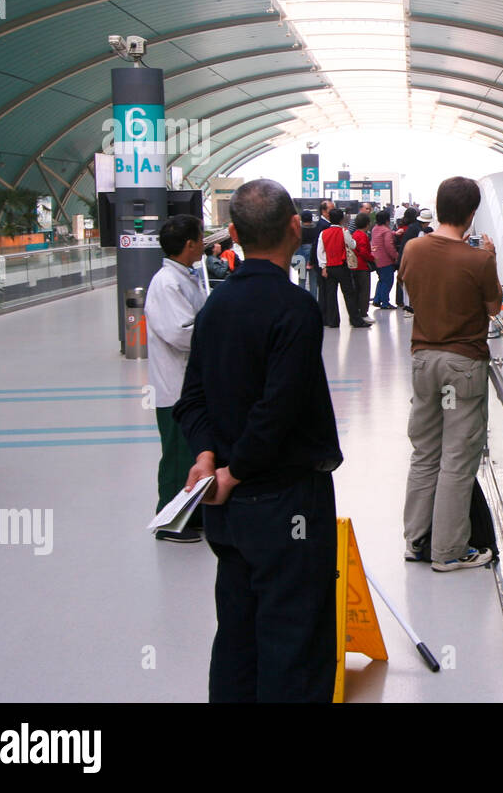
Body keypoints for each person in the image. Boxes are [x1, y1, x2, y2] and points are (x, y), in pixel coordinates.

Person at [174, 179, 342, 703]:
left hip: (227, 508)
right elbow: (278, 410)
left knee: (238, 635)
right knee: (295, 636)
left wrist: (208, 458)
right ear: (296, 226)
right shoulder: (295, 309)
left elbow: (191, 398)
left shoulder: (215, 305)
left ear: (232, 234)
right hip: (286, 501)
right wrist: (237, 469)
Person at [399, 177, 501, 572]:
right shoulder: (478, 259)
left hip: (423, 361)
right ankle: (449, 551)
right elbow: (494, 307)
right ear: (472, 214)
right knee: (457, 459)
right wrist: (488, 256)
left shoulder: (413, 248)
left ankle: (416, 540)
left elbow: (413, 291)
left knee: (425, 452)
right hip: (462, 366)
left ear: (439, 208)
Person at [144, 214, 207, 543]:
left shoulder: (185, 276)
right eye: (200, 237)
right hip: (175, 387)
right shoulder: (165, 283)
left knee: (194, 452)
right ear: (189, 244)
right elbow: (179, 332)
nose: (203, 242)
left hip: (189, 385)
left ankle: (192, 514)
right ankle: (169, 521)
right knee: (177, 456)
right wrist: (217, 333)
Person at [317, 208, 368, 328]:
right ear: (341, 219)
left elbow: (320, 251)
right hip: (342, 266)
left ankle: (333, 321)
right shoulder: (344, 231)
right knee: (349, 294)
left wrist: (323, 266)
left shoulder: (323, 233)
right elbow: (353, 245)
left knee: (331, 295)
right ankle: (356, 320)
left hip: (329, 267)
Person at [347, 211, 375, 325]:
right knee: (364, 290)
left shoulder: (354, 234)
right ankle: (364, 313)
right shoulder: (363, 236)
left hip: (354, 266)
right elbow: (363, 252)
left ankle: (357, 312)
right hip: (362, 266)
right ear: (367, 224)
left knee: (357, 290)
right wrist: (372, 258)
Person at [310, 199, 335, 316]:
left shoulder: (325, 224)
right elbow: (317, 246)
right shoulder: (323, 226)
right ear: (324, 212)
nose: (334, 212)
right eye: (331, 209)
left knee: (325, 289)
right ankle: (325, 315)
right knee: (325, 289)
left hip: (322, 263)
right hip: (323, 263)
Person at [370, 208, 397, 309]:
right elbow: (389, 246)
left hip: (376, 259)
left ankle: (377, 299)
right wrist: (396, 256)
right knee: (388, 281)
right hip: (385, 260)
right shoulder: (386, 231)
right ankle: (385, 302)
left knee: (381, 280)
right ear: (387, 220)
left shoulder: (375, 228)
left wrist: (394, 233)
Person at [296, 209, 316, 292]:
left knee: (302, 281)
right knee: (313, 282)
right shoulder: (316, 229)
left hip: (301, 259)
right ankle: (313, 302)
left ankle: (301, 302)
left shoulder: (299, 230)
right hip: (314, 259)